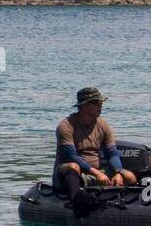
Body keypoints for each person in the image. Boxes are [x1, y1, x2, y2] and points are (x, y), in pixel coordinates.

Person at [54, 87, 138, 216]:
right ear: (84, 106)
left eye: (101, 103)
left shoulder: (103, 125)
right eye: (96, 103)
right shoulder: (65, 126)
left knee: (129, 176)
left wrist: (118, 172)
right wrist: (97, 174)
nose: (100, 106)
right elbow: (72, 156)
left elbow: (112, 153)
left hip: (97, 171)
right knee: (73, 166)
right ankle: (76, 199)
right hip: (70, 173)